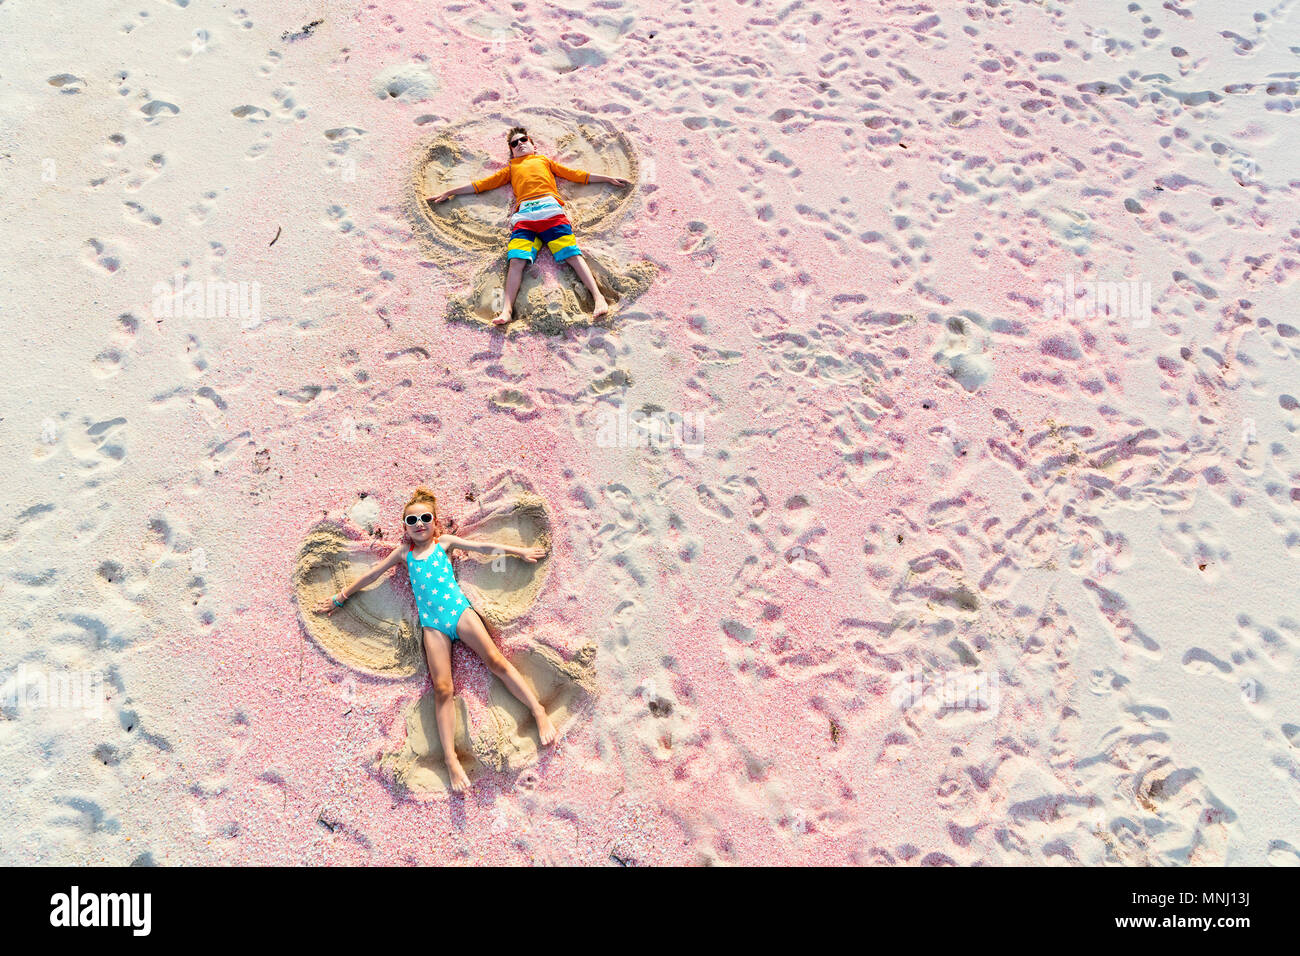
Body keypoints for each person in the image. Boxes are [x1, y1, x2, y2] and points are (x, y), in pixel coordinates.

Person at [315, 485, 556, 793]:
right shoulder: (404, 554)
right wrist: (341, 596)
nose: (419, 525)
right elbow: (373, 574)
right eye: (411, 521)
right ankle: (451, 759)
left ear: (435, 522)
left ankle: (537, 711)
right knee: (443, 689)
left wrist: (520, 552)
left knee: (495, 660)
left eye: (425, 518)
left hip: (459, 612)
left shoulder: (445, 544)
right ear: (405, 527)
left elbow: (483, 549)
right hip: (433, 627)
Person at [429, 125, 630, 326]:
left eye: (523, 140)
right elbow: (482, 185)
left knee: (572, 254)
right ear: (511, 152)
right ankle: (507, 311)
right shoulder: (511, 169)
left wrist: (606, 179)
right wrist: (450, 192)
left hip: (551, 212)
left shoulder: (543, 161)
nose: (519, 144)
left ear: (533, 145)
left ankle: (598, 298)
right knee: (516, 260)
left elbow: (575, 175)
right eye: (514, 144)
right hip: (524, 217)